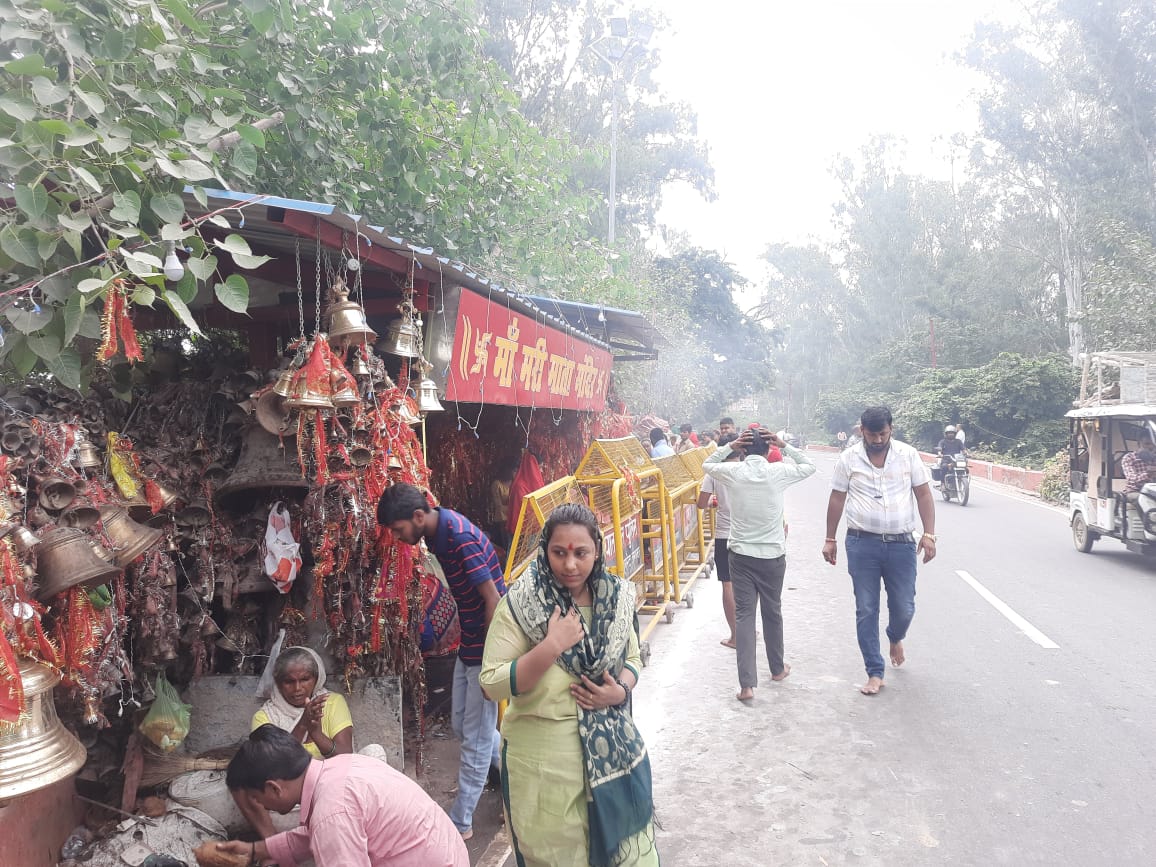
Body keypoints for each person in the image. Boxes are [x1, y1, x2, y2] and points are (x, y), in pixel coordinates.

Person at [480, 504, 658, 867]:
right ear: (545, 549)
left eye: (581, 553)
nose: (570, 565)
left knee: (629, 854)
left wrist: (619, 690)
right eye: (559, 552)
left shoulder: (618, 598)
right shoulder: (521, 603)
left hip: (613, 753)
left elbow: (633, 660)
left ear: (598, 550)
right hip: (543, 763)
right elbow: (491, 684)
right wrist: (550, 647)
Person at [377, 484, 506, 841]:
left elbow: (494, 599)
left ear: (418, 517)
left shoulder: (459, 537)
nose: (398, 538)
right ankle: (517, 773)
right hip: (471, 645)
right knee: (464, 728)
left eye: (398, 530)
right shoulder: (438, 536)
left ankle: (461, 822)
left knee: (476, 739)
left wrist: (489, 662)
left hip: (485, 648)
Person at [217, 724, 468, 866]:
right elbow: (312, 836)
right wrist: (254, 851)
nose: (259, 805)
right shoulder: (341, 766)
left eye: (256, 797)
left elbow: (329, 828)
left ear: (274, 787)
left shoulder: (332, 811)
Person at [821, 406, 937, 696]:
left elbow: (923, 494)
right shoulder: (848, 459)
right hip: (862, 545)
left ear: (891, 429)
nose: (877, 440)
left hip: (902, 544)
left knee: (904, 606)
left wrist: (929, 534)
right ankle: (875, 671)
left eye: (882, 434)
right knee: (866, 608)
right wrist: (830, 538)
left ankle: (895, 636)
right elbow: (837, 498)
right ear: (862, 430)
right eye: (871, 434)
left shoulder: (908, 455)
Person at [703, 425, 816, 702]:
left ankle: (747, 686)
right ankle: (777, 669)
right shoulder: (778, 473)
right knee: (772, 611)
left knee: (744, 616)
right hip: (772, 556)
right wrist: (783, 445)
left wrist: (730, 447)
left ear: (743, 449)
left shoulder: (734, 472)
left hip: (740, 556)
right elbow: (809, 465)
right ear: (769, 449)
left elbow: (708, 464)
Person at [232, 646, 354, 838]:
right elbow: (269, 767)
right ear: (278, 683)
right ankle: (271, 843)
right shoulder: (265, 716)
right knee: (239, 784)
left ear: (317, 678)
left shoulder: (331, 703)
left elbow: (346, 757)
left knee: (374, 752)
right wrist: (303, 725)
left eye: (305, 679)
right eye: (289, 681)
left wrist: (317, 734)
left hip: (329, 791)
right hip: (285, 800)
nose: (298, 689)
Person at [697, 431, 743, 648]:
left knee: (728, 585)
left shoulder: (714, 472)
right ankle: (748, 629)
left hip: (725, 534)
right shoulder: (748, 469)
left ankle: (735, 636)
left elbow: (701, 503)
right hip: (747, 534)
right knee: (749, 585)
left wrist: (716, 501)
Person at [1122, 431, 1156, 504]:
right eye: (1147, 444)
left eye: (1153, 444)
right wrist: (1148, 474)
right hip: (1135, 491)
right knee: (1146, 500)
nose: (1150, 447)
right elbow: (1131, 479)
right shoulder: (1129, 458)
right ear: (1139, 444)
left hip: (1153, 491)